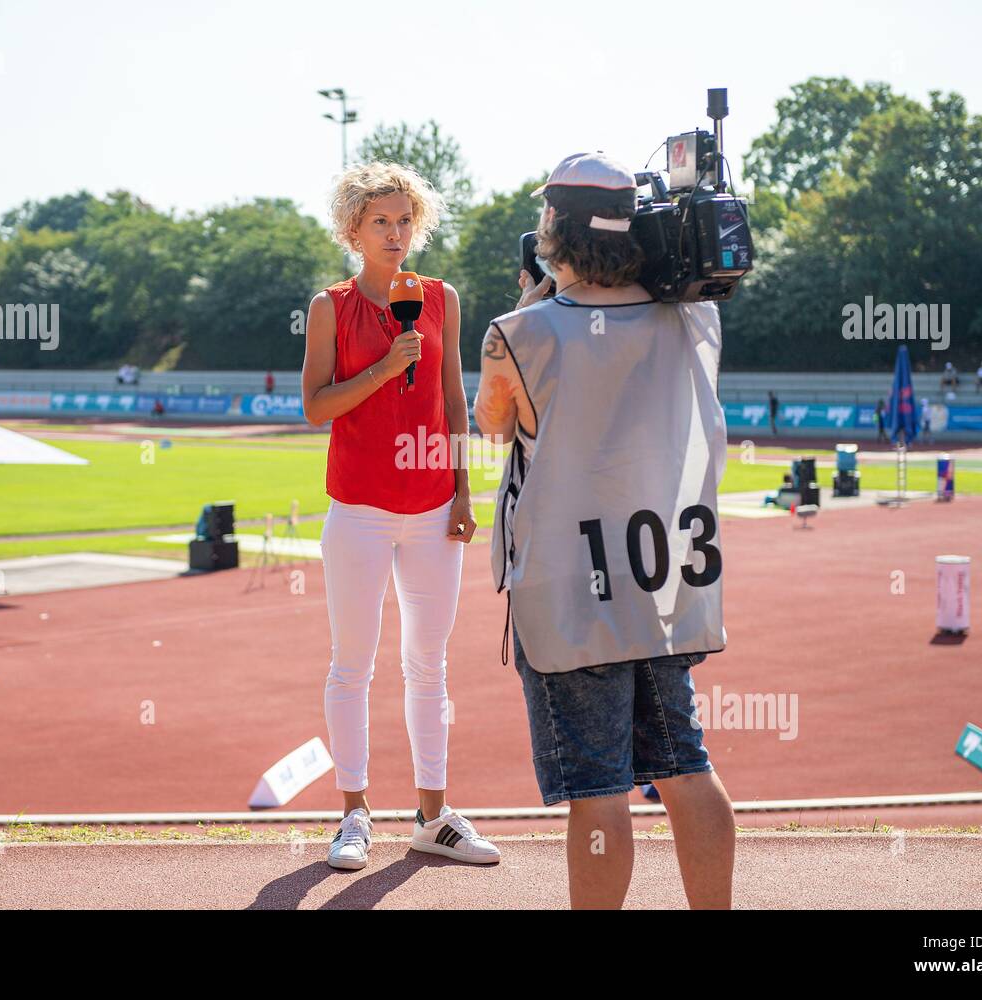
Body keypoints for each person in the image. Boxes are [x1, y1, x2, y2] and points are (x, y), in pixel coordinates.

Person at [475, 152, 734, 909]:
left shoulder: (515, 334)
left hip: (572, 588)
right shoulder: (698, 319)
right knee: (685, 764)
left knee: (598, 790)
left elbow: (495, 426)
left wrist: (536, 300)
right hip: (669, 576)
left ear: (556, 226)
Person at [301, 161, 499, 871]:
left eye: (404, 219)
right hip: (356, 510)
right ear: (352, 229)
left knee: (429, 665)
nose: (395, 232)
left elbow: (453, 399)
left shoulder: (441, 297)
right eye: (380, 221)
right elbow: (316, 405)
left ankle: (434, 816)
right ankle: (353, 814)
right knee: (351, 666)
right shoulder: (331, 306)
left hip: (432, 509)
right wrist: (383, 370)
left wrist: (464, 492)